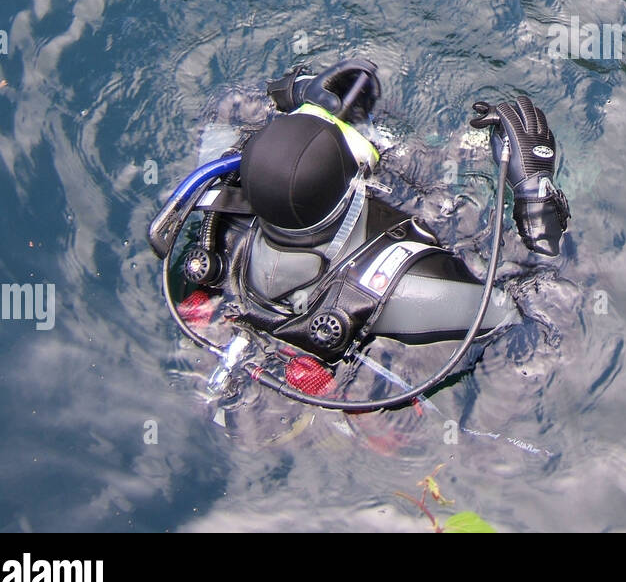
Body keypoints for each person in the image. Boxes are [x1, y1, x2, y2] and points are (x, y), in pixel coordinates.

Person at [147, 58, 570, 411]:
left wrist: (293, 93)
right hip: (343, 388)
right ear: (355, 178)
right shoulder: (410, 292)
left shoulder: (220, 221)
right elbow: (529, 316)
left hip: (237, 336)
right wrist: (535, 198)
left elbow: (225, 106)